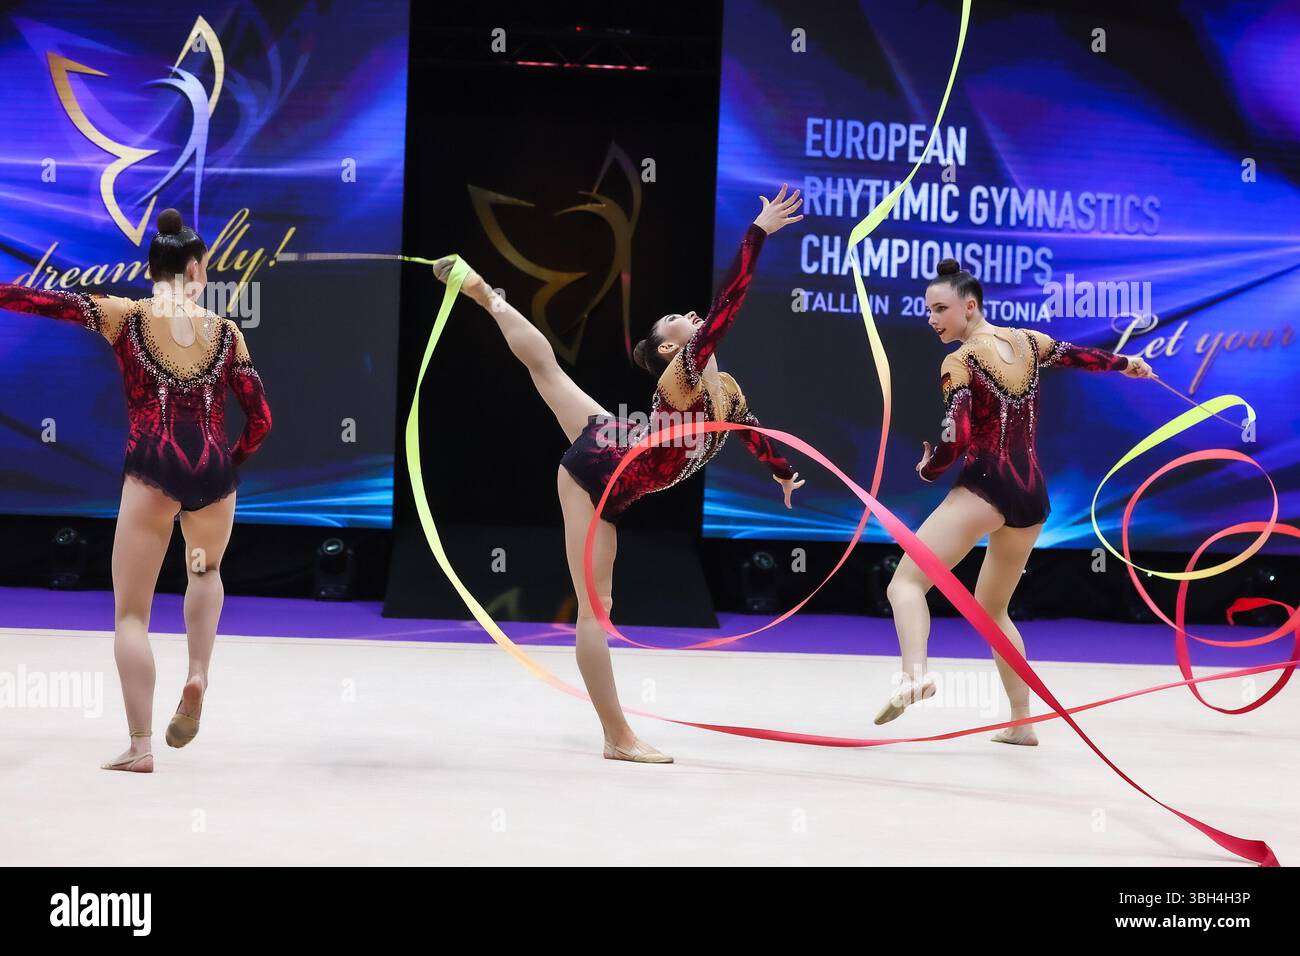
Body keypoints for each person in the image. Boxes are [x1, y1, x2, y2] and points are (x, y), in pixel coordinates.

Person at [434, 183, 806, 762]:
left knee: (546, 369)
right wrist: (757, 233)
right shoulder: (683, 374)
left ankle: (484, 293)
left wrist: (781, 474)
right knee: (595, 609)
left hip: (617, 437)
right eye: (674, 321)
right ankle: (617, 736)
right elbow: (729, 302)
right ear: (668, 351)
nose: (688, 314)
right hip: (596, 473)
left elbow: (753, 433)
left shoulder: (726, 392)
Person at [0, 208, 272, 771]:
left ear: (152, 269)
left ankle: (141, 745)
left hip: (152, 472)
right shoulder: (227, 333)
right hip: (213, 477)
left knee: (131, 615)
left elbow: (41, 301)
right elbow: (262, 419)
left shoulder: (124, 316)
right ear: (196, 270)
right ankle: (197, 675)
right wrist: (229, 463)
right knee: (204, 571)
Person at [876, 258, 1156, 742]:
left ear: (970, 306)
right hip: (1030, 496)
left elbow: (956, 436)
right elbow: (1079, 356)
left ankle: (916, 675)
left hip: (985, 486)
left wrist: (929, 468)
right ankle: (1022, 724)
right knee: (993, 609)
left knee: (906, 584)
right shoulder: (1029, 341)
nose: (932, 319)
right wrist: (1127, 364)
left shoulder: (960, 361)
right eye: (928, 311)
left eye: (940, 309)